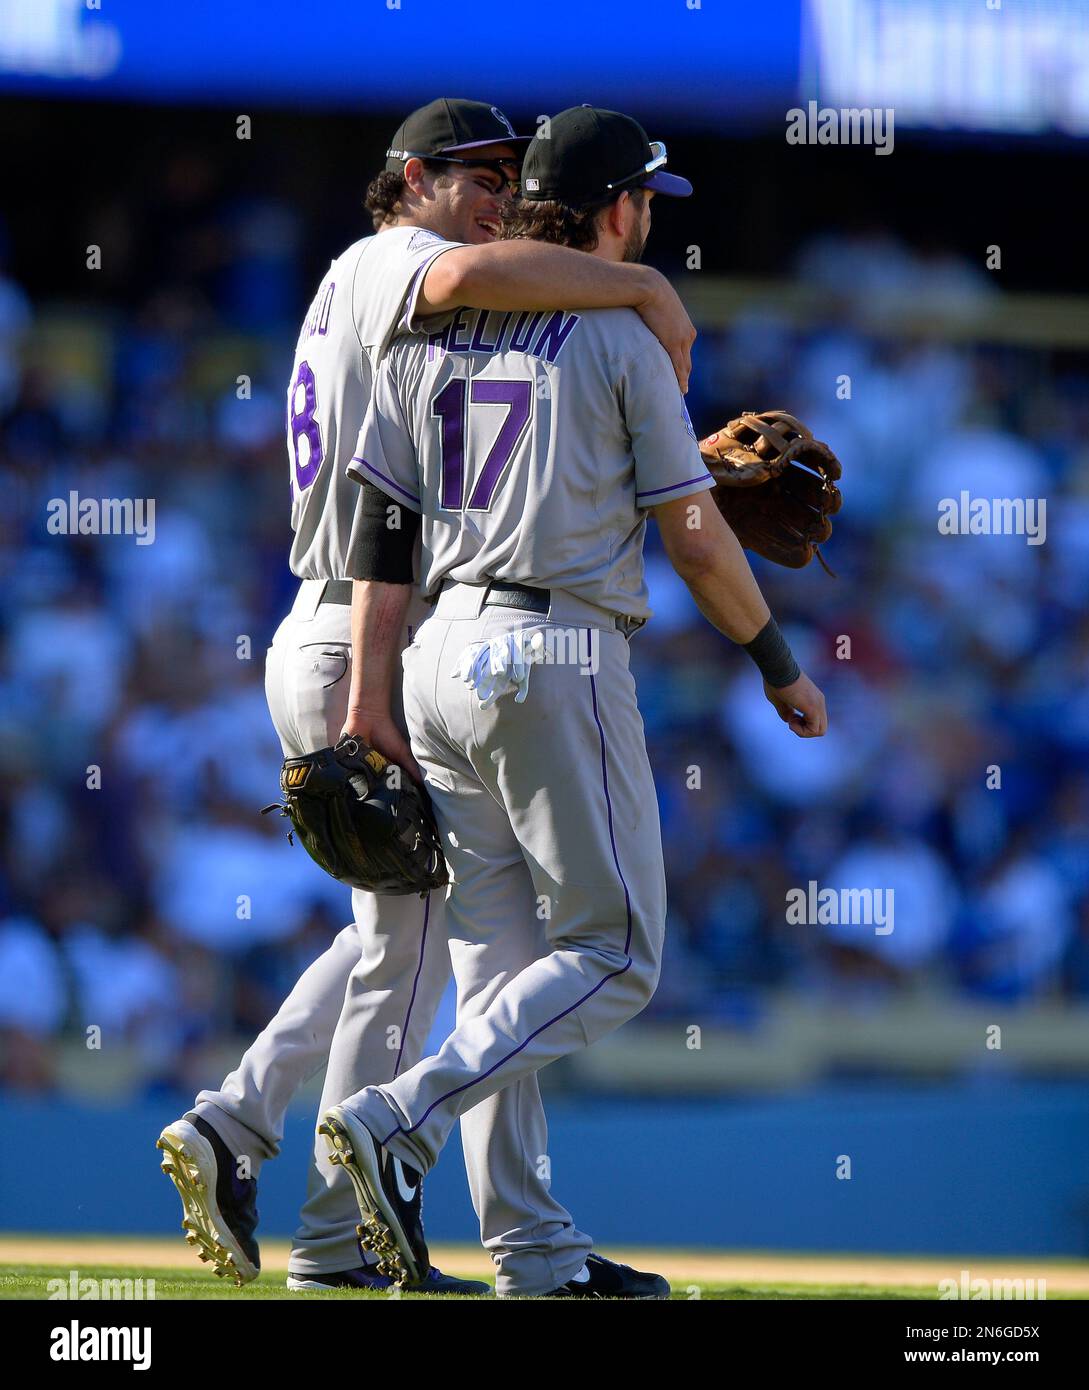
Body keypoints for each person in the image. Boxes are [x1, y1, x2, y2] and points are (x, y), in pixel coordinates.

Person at [157, 97, 697, 1295]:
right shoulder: (403, 262)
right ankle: (335, 1244)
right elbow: (466, 279)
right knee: (413, 965)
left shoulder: (375, 276)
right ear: (407, 181)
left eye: (509, 171)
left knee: (402, 946)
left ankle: (242, 1128)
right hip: (363, 622)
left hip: (360, 617)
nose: (497, 191)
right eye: (471, 172)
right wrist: (650, 296)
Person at [321, 104, 828, 1300]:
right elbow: (699, 544)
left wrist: (371, 691)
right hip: (552, 653)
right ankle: (401, 1114)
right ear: (615, 208)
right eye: (648, 199)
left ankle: (534, 1252)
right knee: (617, 957)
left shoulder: (421, 327)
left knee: (504, 975)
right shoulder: (622, 337)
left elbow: (381, 527)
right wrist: (778, 663)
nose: (652, 219)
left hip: (437, 654)